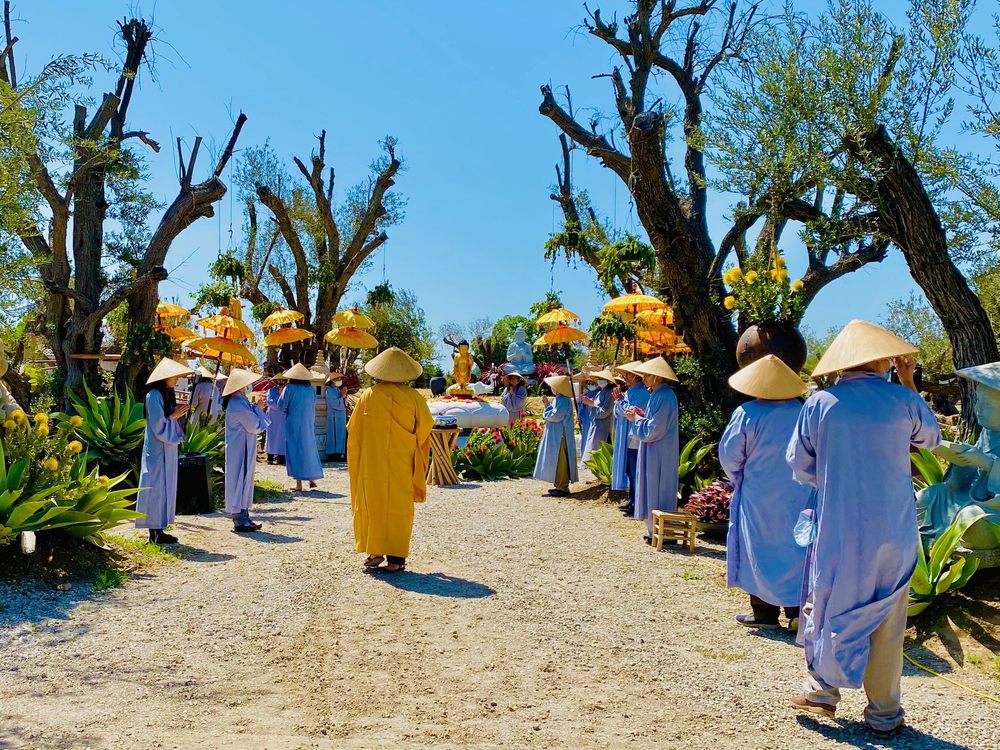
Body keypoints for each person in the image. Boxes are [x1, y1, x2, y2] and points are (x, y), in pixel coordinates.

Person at [785, 320, 940, 740]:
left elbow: (799, 464)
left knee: (829, 602)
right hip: (894, 526)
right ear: (883, 359)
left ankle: (823, 689)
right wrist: (908, 382)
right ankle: (884, 713)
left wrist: (833, 477)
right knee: (889, 619)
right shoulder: (900, 401)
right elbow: (930, 438)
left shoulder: (820, 403)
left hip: (839, 525)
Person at [720, 355, 812, 632]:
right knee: (799, 545)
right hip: (801, 490)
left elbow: (729, 455)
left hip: (759, 493)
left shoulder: (747, 413)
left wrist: (739, 477)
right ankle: (798, 611)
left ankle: (764, 614)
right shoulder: (805, 411)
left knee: (758, 548)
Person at [348, 347, 433, 573]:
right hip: (402, 461)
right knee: (398, 508)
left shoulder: (368, 395)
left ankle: (375, 550)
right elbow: (425, 429)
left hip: (372, 461)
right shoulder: (414, 397)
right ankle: (396, 559)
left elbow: (354, 430)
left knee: (373, 504)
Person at [135, 358, 193, 544]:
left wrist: (175, 415)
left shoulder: (166, 394)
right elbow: (157, 424)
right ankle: (154, 530)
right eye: (174, 376)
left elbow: (167, 420)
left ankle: (160, 528)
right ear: (165, 377)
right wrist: (174, 416)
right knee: (155, 487)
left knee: (164, 487)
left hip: (166, 448)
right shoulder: (153, 395)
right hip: (157, 449)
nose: (176, 380)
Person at [626, 356, 680, 541]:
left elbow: (655, 428)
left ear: (657, 377)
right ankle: (654, 529)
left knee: (658, 486)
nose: (644, 378)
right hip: (654, 449)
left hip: (660, 451)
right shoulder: (657, 394)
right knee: (652, 485)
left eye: (647, 375)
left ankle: (662, 530)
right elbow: (653, 421)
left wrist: (636, 420)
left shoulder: (664, 395)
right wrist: (642, 415)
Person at [223, 368, 270, 533]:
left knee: (244, 480)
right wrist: (257, 411)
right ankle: (240, 520)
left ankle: (244, 516)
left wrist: (257, 408)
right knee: (239, 480)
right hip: (239, 448)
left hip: (243, 446)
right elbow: (253, 425)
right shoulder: (237, 402)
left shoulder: (240, 400)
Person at [278, 363, 323, 492]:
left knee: (295, 450)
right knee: (309, 448)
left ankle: (299, 484)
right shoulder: (310, 390)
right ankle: (311, 479)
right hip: (308, 422)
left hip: (293, 423)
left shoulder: (289, 388)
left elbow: (281, 406)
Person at [611, 361, 649, 515]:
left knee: (635, 471)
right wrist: (620, 403)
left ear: (635, 376)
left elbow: (630, 412)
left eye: (627, 374)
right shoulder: (628, 392)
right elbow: (618, 411)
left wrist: (621, 403)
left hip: (635, 438)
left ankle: (637, 502)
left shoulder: (643, 393)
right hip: (625, 436)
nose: (624, 377)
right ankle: (632, 499)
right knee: (629, 471)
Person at [532, 374, 579, 497]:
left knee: (560, 461)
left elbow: (556, 416)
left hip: (560, 435)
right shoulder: (559, 399)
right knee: (557, 460)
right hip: (557, 434)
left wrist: (546, 408)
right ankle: (558, 484)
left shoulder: (563, 400)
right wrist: (548, 406)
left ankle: (562, 487)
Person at [581, 368, 616, 461]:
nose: (599, 381)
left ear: (607, 380)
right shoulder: (600, 392)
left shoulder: (609, 392)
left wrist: (592, 404)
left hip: (604, 427)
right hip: (595, 424)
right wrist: (590, 404)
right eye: (598, 378)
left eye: (601, 378)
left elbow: (605, 412)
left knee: (600, 453)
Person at [263, 367, 286, 465]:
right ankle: (270, 457)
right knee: (272, 437)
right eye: (279, 380)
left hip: (283, 417)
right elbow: (270, 402)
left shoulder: (287, 391)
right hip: (273, 417)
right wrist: (279, 402)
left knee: (282, 437)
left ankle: (281, 458)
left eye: (283, 380)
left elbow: (287, 403)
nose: (281, 382)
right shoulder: (271, 391)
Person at [325, 372, 348, 462]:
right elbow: (334, 403)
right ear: (332, 381)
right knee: (334, 434)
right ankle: (333, 454)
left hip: (341, 416)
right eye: (337, 379)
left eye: (340, 379)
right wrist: (342, 397)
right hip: (334, 415)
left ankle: (340, 453)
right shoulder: (329, 390)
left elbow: (344, 403)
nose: (339, 381)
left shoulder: (338, 390)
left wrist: (344, 395)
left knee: (341, 434)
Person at [573, 372, 594, 456]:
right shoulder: (585, 395)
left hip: (592, 419)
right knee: (585, 439)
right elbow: (580, 408)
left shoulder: (598, 394)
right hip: (585, 420)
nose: (590, 385)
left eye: (592, 383)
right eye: (589, 383)